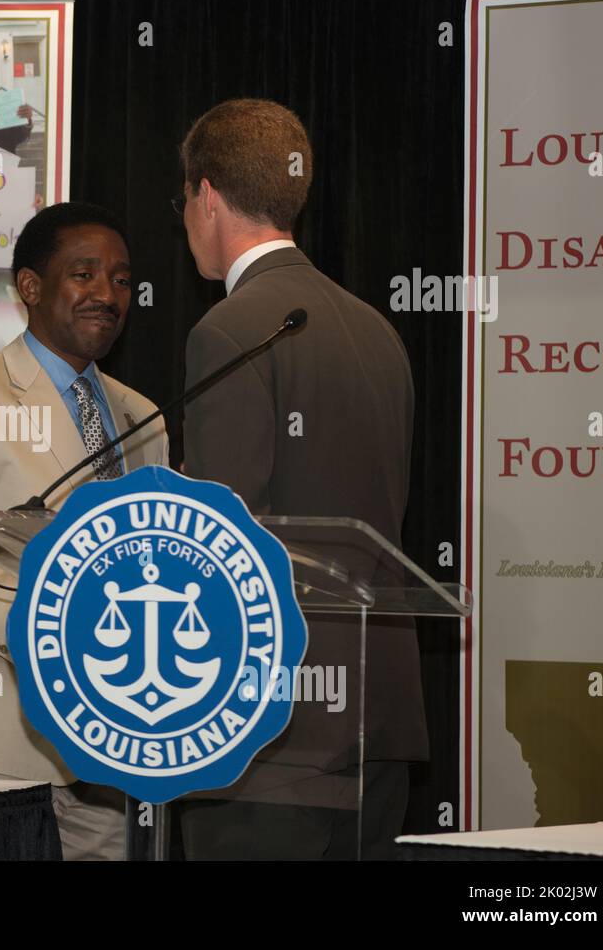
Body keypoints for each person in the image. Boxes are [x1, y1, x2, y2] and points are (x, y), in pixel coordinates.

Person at [176, 98, 428, 859]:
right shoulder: (377, 329)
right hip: (377, 719)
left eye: (184, 200)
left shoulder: (229, 328)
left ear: (208, 195)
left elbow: (221, 548)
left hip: (272, 740)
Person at [0, 202, 169, 860]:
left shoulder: (144, 417)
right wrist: (39, 631)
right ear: (31, 288)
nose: (107, 293)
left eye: (122, 280)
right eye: (84, 274)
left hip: (113, 760)